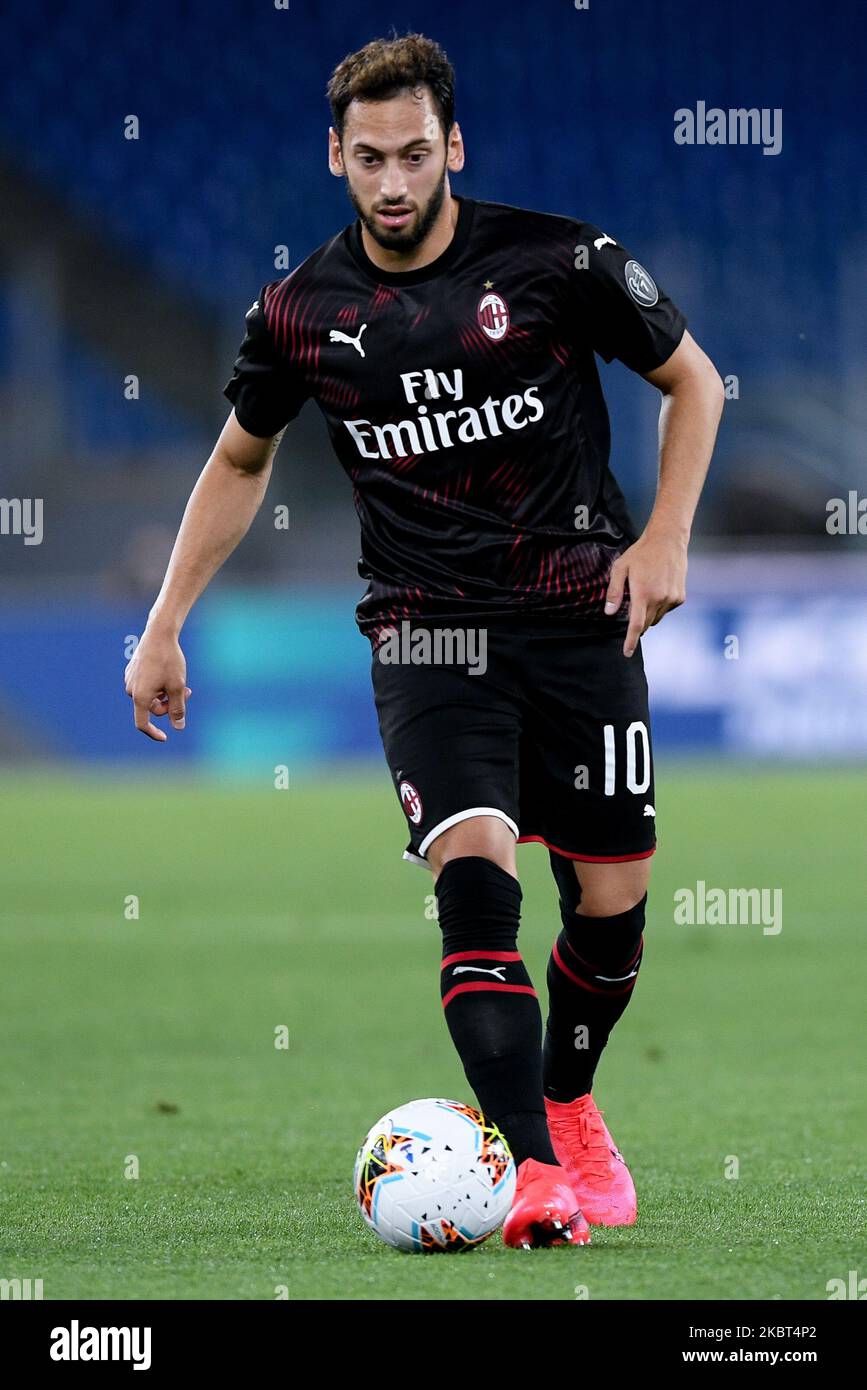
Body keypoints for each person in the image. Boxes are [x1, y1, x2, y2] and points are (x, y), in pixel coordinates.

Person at [125, 32, 724, 1250]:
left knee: (609, 912)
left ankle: (566, 1093)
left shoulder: (558, 260)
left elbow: (697, 383)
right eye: (367, 159)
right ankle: (539, 1170)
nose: (392, 182)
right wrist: (165, 624)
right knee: (475, 882)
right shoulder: (301, 314)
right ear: (335, 159)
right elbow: (241, 459)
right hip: (426, 634)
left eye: (413, 154)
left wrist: (664, 538)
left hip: (580, 615)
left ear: (452, 146)